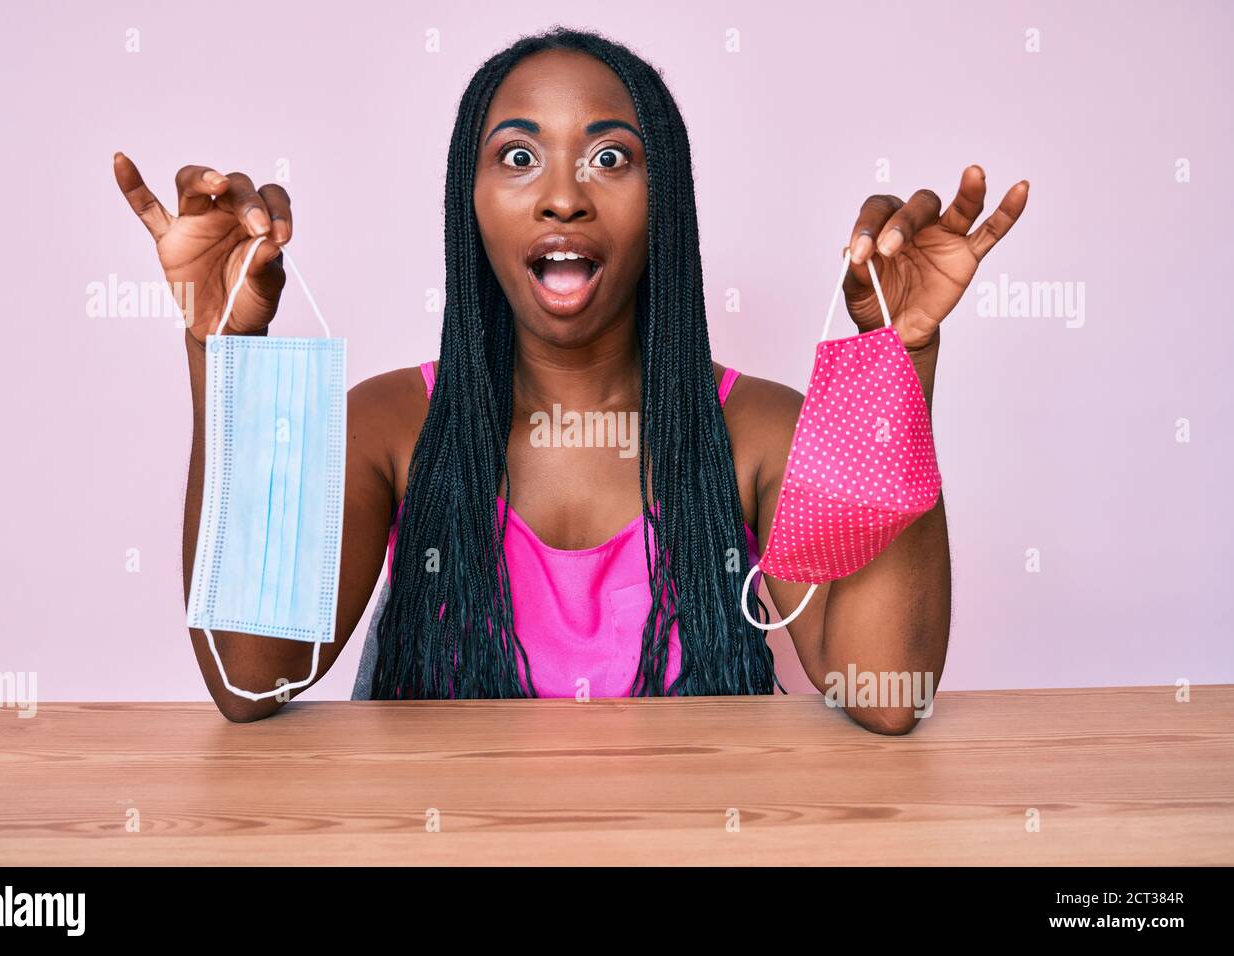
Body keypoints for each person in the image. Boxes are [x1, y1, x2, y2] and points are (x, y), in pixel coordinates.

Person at [113, 27, 1026, 733]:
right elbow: (250, 678)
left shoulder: (757, 432)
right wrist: (223, 351)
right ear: (467, 205)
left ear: (665, 200)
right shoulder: (391, 427)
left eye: (610, 156)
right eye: (517, 156)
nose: (563, 194)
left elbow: (885, 693)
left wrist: (897, 363)